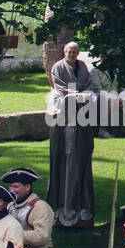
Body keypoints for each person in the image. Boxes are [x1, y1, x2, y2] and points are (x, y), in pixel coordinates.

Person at [46, 41, 100, 229]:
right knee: (66, 162)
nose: (72, 54)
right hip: (65, 120)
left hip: (81, 122)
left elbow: (91, 86)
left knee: (81, 161)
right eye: (69, 51)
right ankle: (63, 209)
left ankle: (80, 210)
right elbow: (60, 89)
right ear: (64, 52)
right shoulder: (58, 68)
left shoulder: (82, 66)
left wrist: (86, 95)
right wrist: (78, 95)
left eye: (75, 52)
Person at [1, 167, 55, 248]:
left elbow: (42, 237)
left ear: (27, 187)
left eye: (16, 187)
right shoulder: (10, 205)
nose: (11, 190)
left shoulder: (40, 207)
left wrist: (13, 233)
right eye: (10, 186)